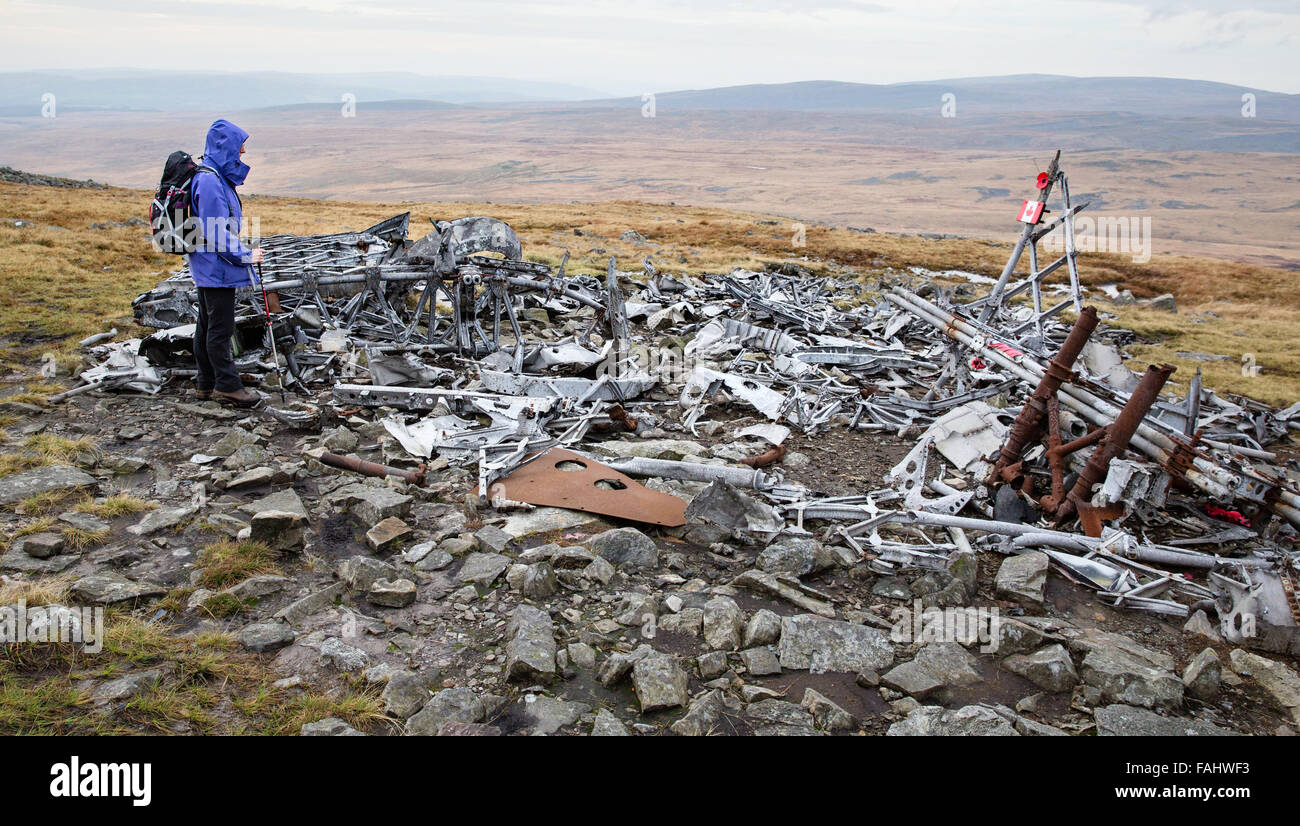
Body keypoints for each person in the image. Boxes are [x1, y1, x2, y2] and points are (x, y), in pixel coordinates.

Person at [189, 118, 264, 407]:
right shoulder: (209, 180)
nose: (243, 152)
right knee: (220, 329)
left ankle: (205, 384)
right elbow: (217, 230)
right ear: (225, 146)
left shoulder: (212, 175)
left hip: (209, 265)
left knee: (207, 325)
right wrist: (246, 256)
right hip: (215, 267)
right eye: (240, 145)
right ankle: (228, 387)